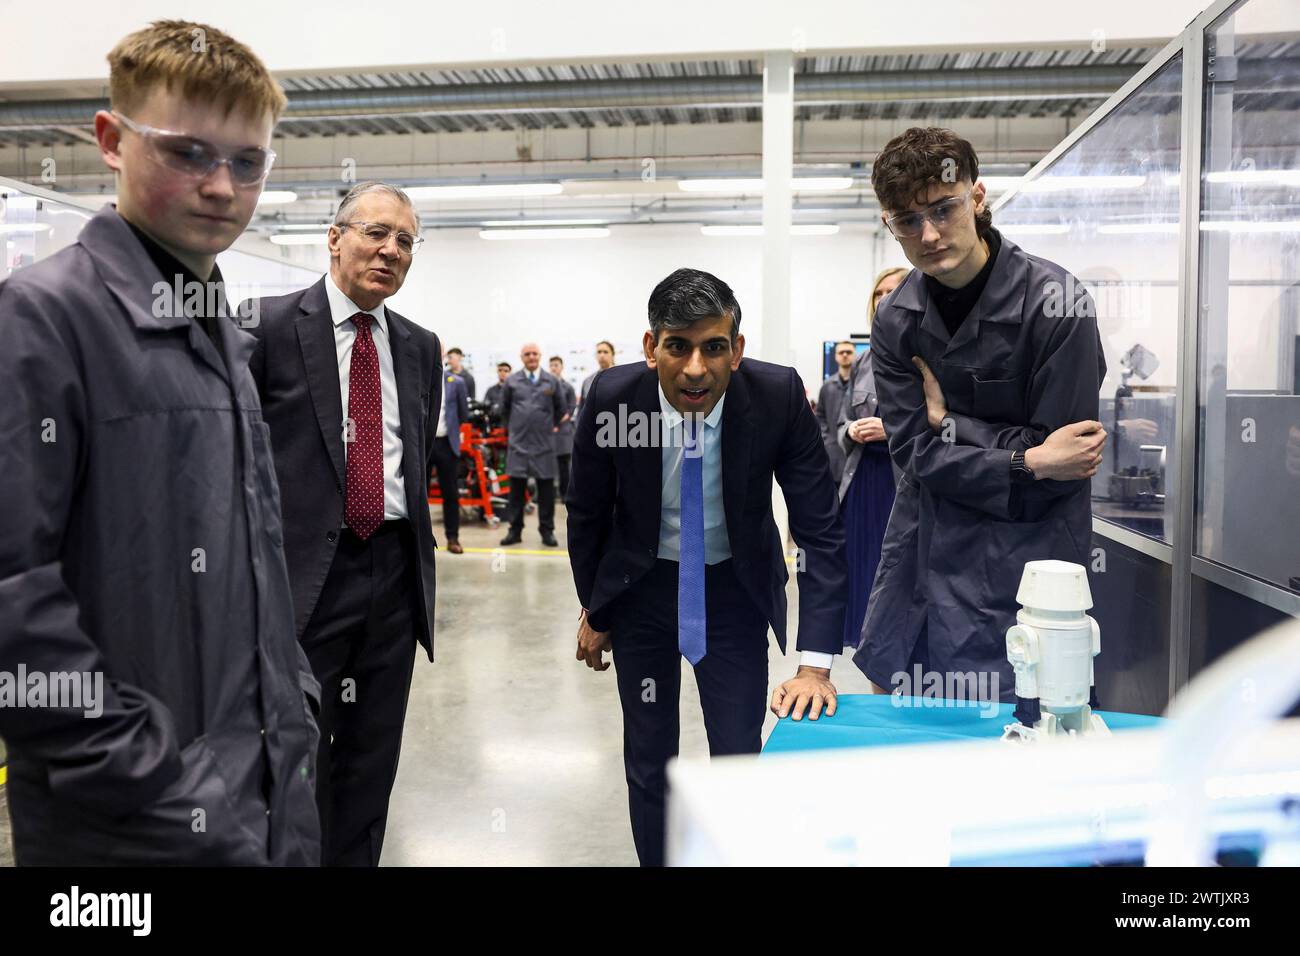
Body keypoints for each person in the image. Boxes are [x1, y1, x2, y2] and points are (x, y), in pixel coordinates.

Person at [0, 20, 320, 865]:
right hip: (129, 827)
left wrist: (295, 704)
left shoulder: (222, 338)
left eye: (247, 162)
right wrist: (152, 778)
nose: (222, 186)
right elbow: (11, 601)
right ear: (112, 141)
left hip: (263, 793)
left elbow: (255, 559)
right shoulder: (40, 319)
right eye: (188, 153)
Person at [568, 268, 847, 867]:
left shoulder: (776, 398)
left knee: (738, 754)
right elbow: (586, 515)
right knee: (651, 760)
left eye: (714, 347)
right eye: (678, 346)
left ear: (737, 350)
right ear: (651, 348)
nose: (696, 368)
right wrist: (596, 608)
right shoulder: (612, 399)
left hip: (732, 593)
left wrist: (816, 665)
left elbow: (821, 531)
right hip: (641, 592)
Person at [853, 127, 1107, 704]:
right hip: (921, 554)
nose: (930, 234)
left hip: (1027, 555)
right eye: (906, 222)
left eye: (943, 209)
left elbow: (1065, 458)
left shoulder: (1056, 303)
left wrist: (954, 427)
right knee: (908, 734)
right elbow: (916, 456)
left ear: (977, 196)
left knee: (1020, 734)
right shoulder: (896, 319)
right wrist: (1027, 459)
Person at [246, 181, 441, 866]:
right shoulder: (264, 327)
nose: (390, 250)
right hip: (300, 578)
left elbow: (414, 461)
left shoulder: (419, 347)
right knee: (289, 752)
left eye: (406, 241)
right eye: (376, 232)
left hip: (390, 578)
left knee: (370, 756)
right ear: (334, 237)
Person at [836, 268, 907, 649]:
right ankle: (869, 648)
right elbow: (841, 421)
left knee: (897, 575)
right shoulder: (865, 361)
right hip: (863, 478)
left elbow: (950, 427)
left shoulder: (931, 352)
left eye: (894, 291)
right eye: (878, 293)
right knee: (862, 571)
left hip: (903, 481)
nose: (884, 299)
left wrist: (891, 430)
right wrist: (851, 430)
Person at [500, 342, 566, 547]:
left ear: (540, 356)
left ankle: (547, 531)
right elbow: (504, 410)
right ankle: (514, 530)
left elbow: (560, 409)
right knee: (516, 492)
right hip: (518, 445)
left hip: (543, 445)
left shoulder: (551, 382)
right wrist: (516, 430)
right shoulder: (511, 381)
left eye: (534, 353)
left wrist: (546, 427)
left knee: (546, 492)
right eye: (527, 354)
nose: (531, 357)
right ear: (521, 357)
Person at [431, 367, 471, 553]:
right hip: (425, 445)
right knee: (417, 494)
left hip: (448, 445)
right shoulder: (418, 378)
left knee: (451, 494)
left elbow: (464, 415)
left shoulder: (457, 382)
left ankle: (453, 538)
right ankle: (420, 539)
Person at [816, 340, 857, 485]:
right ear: (836, 356)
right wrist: (826, 439)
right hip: (832, 453)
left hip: (855, 450)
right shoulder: (827, 387)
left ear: (855, 355)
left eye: (849, 352)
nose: (845, 355)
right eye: (841, 352)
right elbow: (819, 416)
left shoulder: (861, 386)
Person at [549, 355, 578, 501]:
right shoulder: (546, 386)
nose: (554, 368)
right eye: (551, 365)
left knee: (563, 465)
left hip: (563, 431)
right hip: (547, 431)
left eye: (556, 365)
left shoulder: (568, 387)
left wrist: (556, 423)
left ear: (561, 367)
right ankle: (549, 494)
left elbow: (571, 408)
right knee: (547, 465)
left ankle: (564, 494)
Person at [579, 339, 617, 408]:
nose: (602, 355)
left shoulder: (623, 378)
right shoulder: (588, 381)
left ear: (613, 355)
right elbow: (582, 409)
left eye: (606, 352)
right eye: (599, 352)